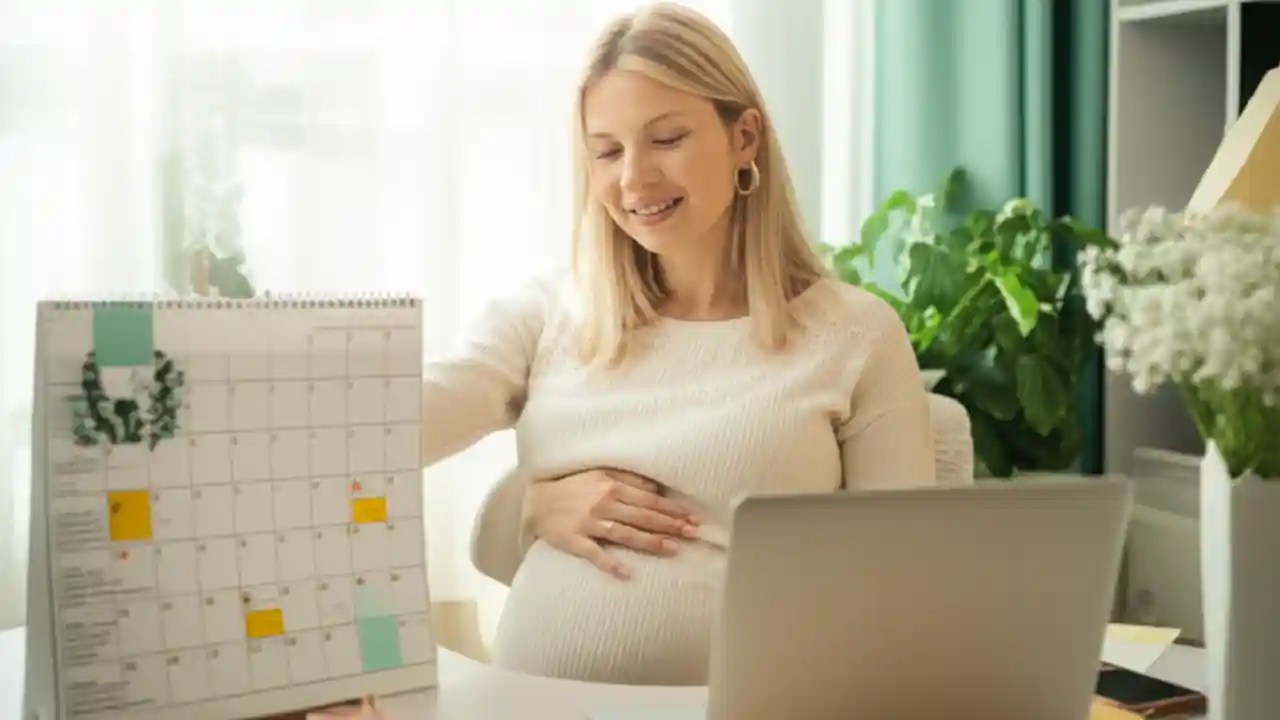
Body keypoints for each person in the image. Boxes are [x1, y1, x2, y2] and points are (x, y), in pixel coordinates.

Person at [420, 1, 936, 686]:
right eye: (606, 151)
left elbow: (903, 589)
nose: (634, 178)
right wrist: (528, 507)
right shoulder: (548, 311)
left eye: (666, 139)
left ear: (744, 136)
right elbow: (389, 428)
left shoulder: (854, 336)